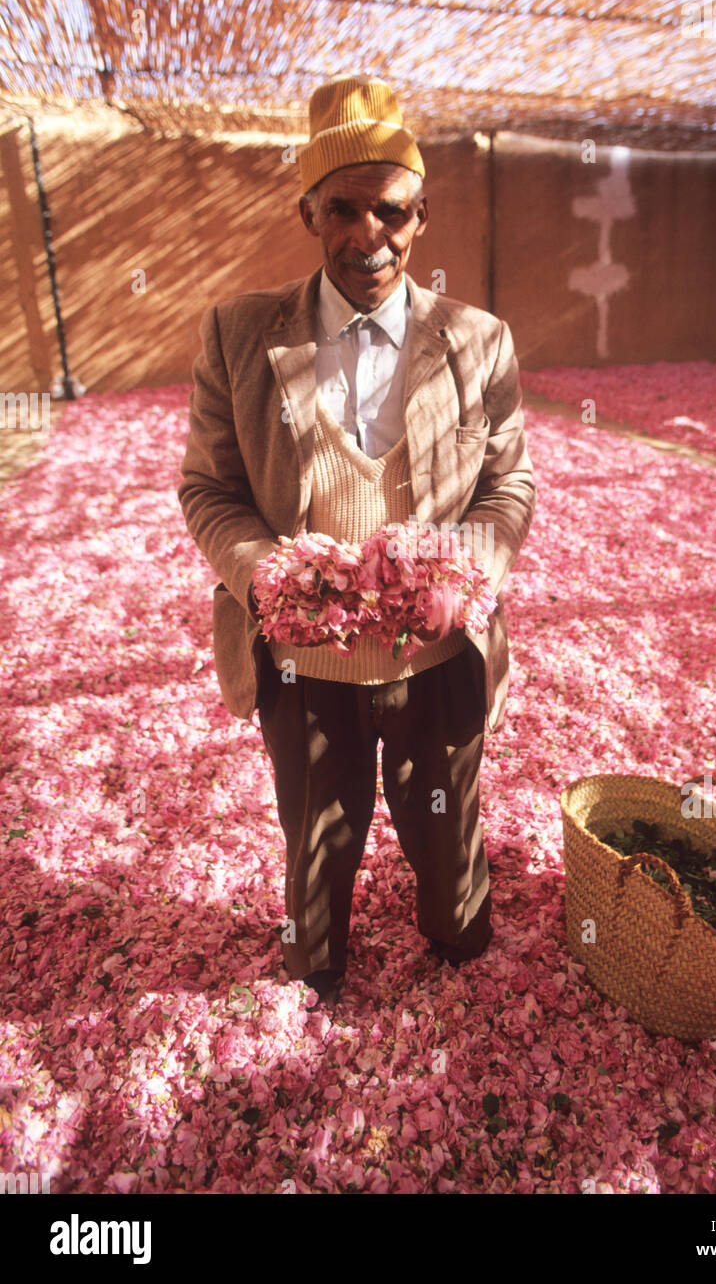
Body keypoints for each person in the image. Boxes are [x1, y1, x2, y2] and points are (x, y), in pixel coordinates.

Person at [178, 74, 536, 1008]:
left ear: (421, 217)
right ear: (309, 211)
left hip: (438, 653)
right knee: (316, 836)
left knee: (446, 833)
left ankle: (457, 947)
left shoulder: (478, 341)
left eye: (391, 211)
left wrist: (471, 571)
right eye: (343, 209)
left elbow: (507, 486)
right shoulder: (238, 334)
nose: (367, 235)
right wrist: (264, 572)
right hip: (303, 665)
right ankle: (317, 973)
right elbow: (209, 488)